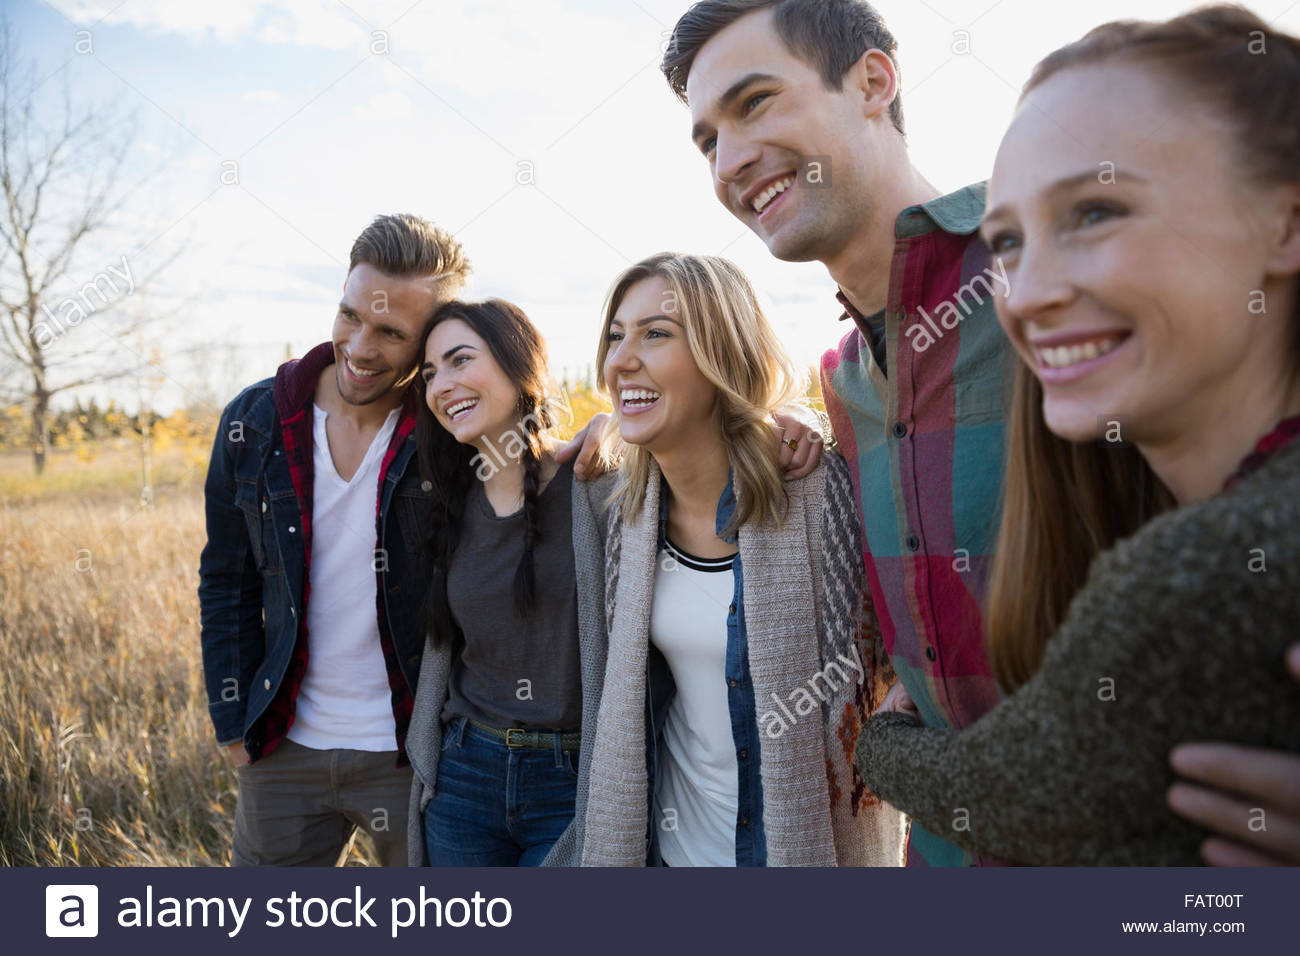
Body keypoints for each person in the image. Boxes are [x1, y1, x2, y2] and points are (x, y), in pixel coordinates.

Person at [659, 0, 1300, 866]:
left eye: (757, 102)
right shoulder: (843, 384)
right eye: (705, 140)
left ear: (874, 83)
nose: (730, 159)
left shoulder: (1074, 312)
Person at [855, 5, 1300, 864]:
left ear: (1284, 223)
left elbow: (1016, 797)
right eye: (1010, 242)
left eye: (1096, 213)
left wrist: (883, 744)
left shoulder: (1211, 572)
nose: (1028, 292)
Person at [580, 252, 904, 866]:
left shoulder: (822, 491)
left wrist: (798, 418)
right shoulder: (627, 516)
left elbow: (892, 657)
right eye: (616, 336)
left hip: (798, 849)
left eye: (656, 334)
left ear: (720, 354)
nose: (622, 359)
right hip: (668, 851)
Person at [198, 214, 470, 865]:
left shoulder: (450, 434)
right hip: (284, 745)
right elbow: (226, 579)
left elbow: (533, 466)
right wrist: (233, 722)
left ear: (432, 341)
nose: (360, 346)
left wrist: (595, 434)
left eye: (391, 333)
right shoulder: (256, 419)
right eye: (350, 315)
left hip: (416, 752)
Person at [404, 299, 615, 866]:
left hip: (572, 780)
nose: (442, 385)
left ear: (519, 364)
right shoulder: (446, 505)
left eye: (459, 361)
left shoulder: (599, 486)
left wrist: (616, 425)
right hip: (465, 775)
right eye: (430, 375)